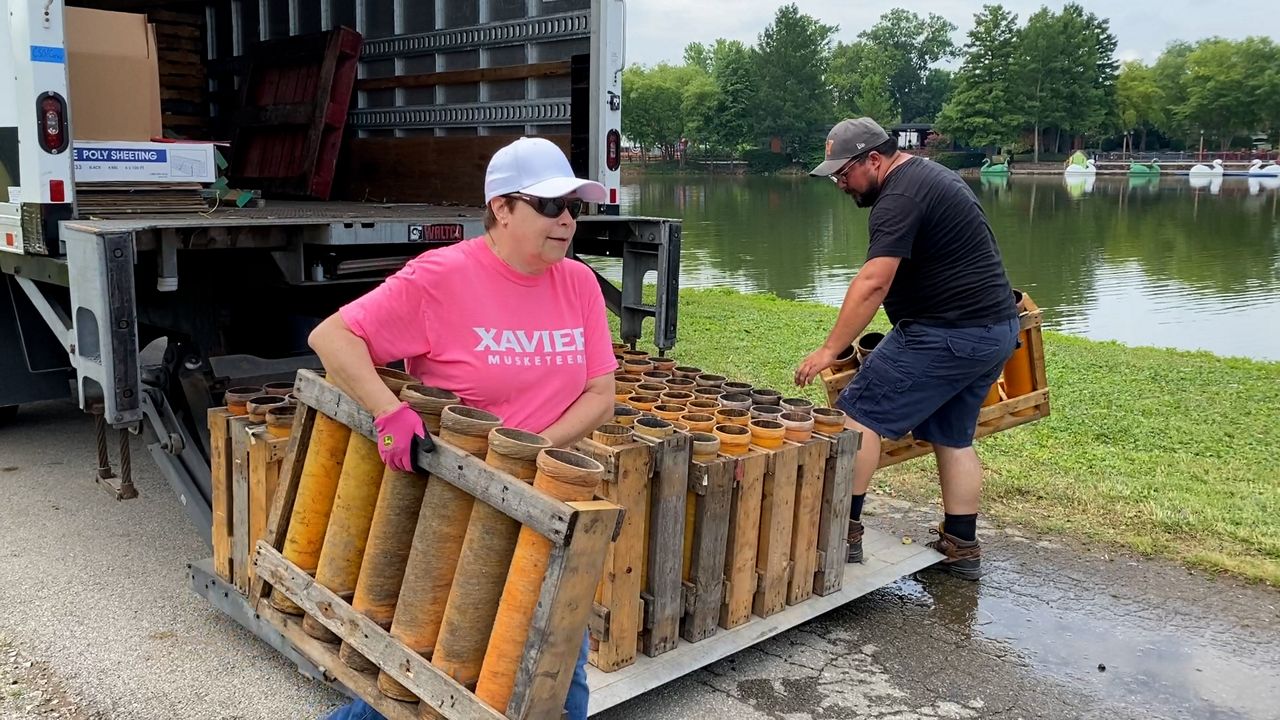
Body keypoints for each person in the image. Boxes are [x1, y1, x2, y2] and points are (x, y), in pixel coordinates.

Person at [308, 136, 616, 719]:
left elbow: (601, 396)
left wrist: (529, 452)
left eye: (574, 206)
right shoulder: (441, 277)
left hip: (544, 504)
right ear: (502, 208)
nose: (568, 220)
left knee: (557, 668)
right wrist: (388, 410)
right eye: (551, 205)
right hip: (453, 508)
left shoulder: (578, 283)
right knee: (426, 675)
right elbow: (332, 338)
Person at [795, 118, 1019, 581]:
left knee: (857, 415)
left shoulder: (899, 196)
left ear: (874, 159)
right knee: (953, 436)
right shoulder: (928, 177)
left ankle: (842, 536)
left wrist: (830, 349)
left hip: (948, 332)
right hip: (993, 330)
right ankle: (961, 547)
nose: (840, 184)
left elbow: (874, 282)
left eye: (844, 173)